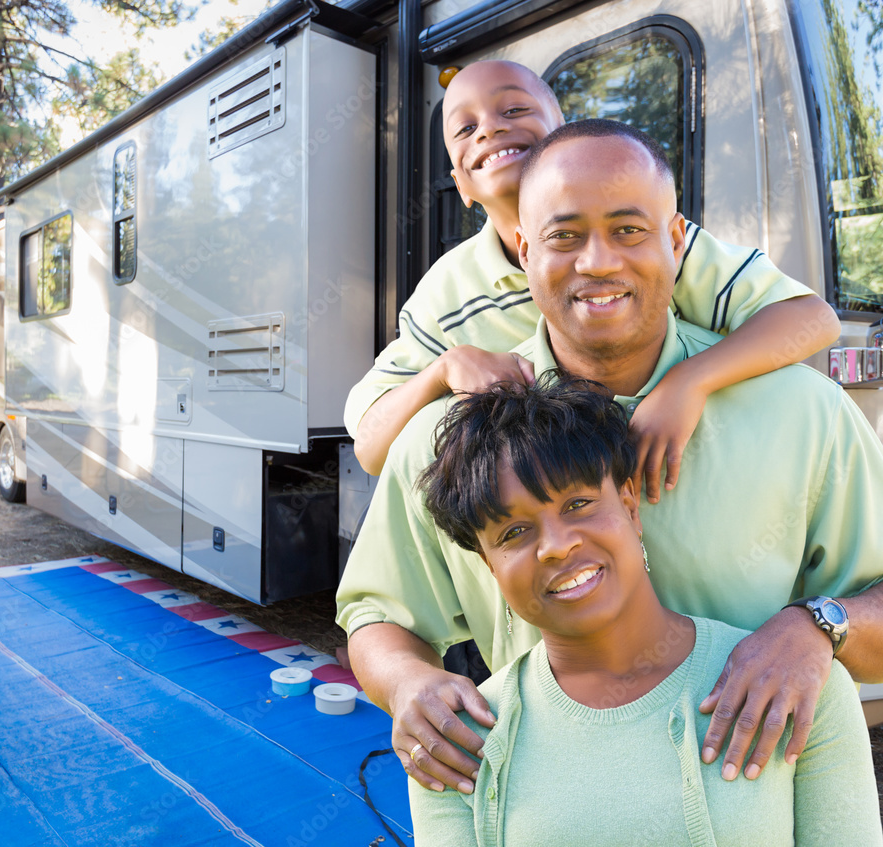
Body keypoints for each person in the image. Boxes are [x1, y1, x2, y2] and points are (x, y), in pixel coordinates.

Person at [336, 119, 883, 798]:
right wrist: (408, 682)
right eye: (564, 237)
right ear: (525, 249)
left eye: (628, 229)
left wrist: (818, 627)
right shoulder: (451, 439)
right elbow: (378, 613)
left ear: (676, 241)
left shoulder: (806, 412)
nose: (597, 261)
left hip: (758, 813)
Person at [408, 376, 882, 846]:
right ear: (490, 567)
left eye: (577, 503)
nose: (556, 545)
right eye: (513, 533)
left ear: (631, 508)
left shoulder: (793, 683)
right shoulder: (453, 740)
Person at [345, 61, 839, 508]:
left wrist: (690, 380)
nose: (490, 128)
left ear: (565, 136)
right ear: (461, 185)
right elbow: (370, 447)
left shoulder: (653, 247)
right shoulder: (447, 291)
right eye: (466, 128)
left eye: (514, 108)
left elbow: (811, 319)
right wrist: (443, 369)